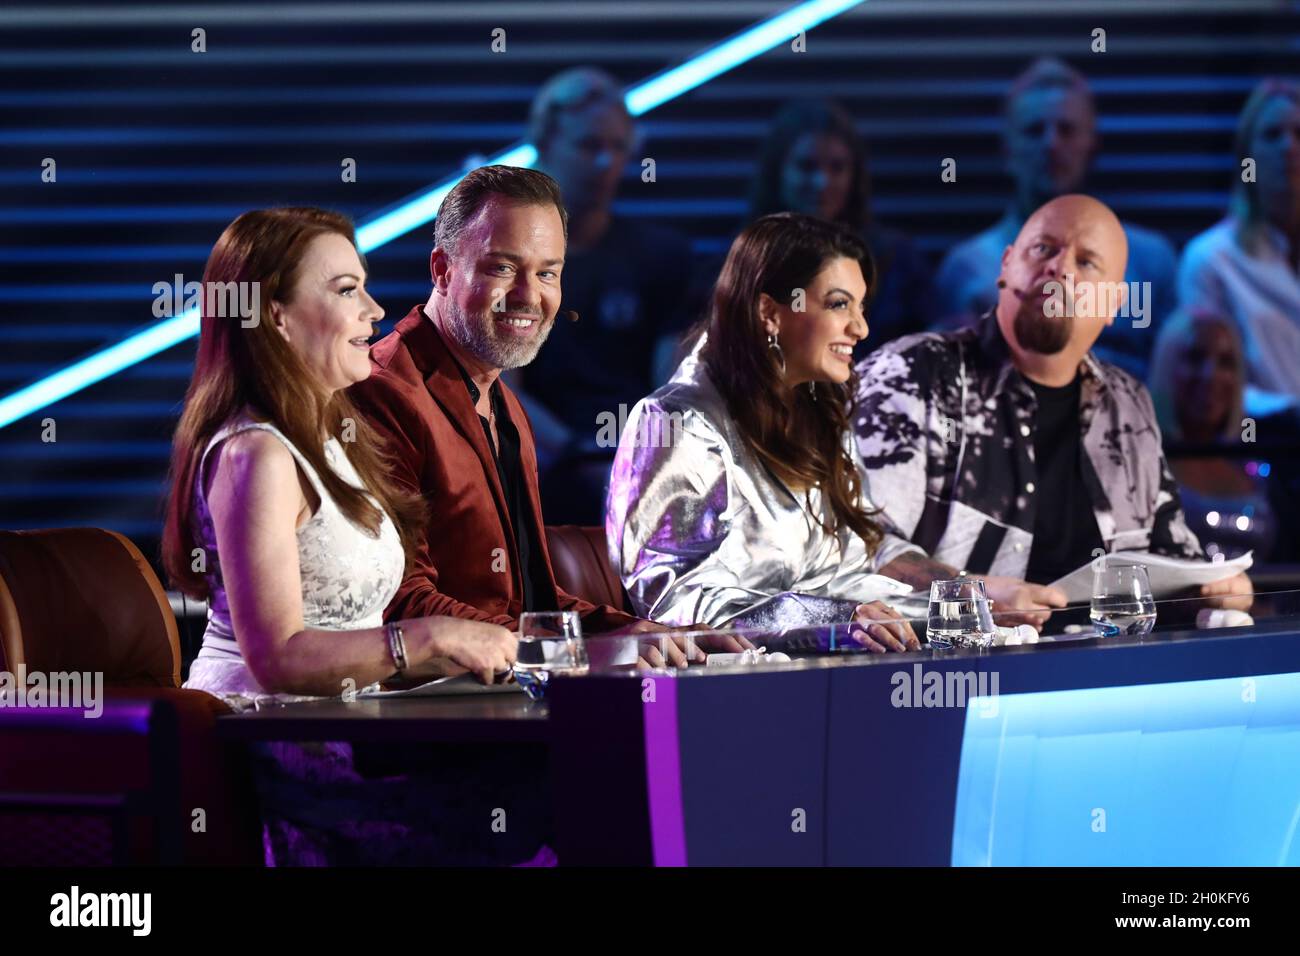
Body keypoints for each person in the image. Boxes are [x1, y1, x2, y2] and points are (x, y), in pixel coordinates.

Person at [163, 207, 546, 865]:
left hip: (354, 732)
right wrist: (434, 637)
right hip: (279, 756)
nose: (374, 309)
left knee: (559, 781)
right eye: (345, 290)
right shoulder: (255, 454)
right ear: (276, 316)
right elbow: (277, 657)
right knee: (540, 810)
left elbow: (363, 633)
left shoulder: (333, 440)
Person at [350, 165, 722, 669]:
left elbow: (533, 606)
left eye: (547, 272)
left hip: (511, 692)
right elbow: (400, 604)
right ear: (441, 270)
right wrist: (583, 651)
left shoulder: (506, 403)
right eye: (502, 268)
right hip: (436, 713)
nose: (530, 295)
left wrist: (647, 632)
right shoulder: (383, 392)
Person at [856, 194, 1253, 609]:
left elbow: (1171, 553)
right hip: (960, 663)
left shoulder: (1127, 404)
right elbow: (863, 544)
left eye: (1086, 263)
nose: (1060, 269)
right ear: (1006, 266)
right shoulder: (912, 373)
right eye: (1044, 249)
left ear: (1113, 304)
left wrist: (1215, 589)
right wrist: (978, 596)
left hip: (1106, 662)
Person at [607, 213, 932, 651]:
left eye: (861, 306)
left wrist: (959, 593)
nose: (861, 328)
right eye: (839, 304)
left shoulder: (820, 412)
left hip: (834, 665)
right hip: (733, 689)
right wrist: (831, 621)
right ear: (770, 313)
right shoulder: (673, 422)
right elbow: (672, 597)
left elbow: (866, 549)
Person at [505, 67, 696, 525]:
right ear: (546, 145)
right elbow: (501, 387)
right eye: (590, 146)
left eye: (617, 148)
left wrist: (635, 460)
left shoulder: (663, 256)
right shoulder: (505, 260)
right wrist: (575, 454)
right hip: (540, 464)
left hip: (642, 460)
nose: (605, 163)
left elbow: (671, 387)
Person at [933, 57, 1178, 378]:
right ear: (1008, 151)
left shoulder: (1149, 260)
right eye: (1035, 131)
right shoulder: (968, 268)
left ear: (1092, 145)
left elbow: (1174, 385)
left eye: (1066, 129)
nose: (1051, 144)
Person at [747, 100, 934, 347]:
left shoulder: (895, 260)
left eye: (837, 168)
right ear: (778, 172)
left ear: (854, 175)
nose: (822, 182)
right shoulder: (745, 260)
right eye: (807, 166)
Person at [1177, 79, 1300, 405]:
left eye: (1299, 134)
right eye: (1272, 135)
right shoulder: (1211, 258)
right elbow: (1200, 384)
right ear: (1247, 158)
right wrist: (1286, 411)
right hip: (1263, 445)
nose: (1288, 147)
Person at [1148, 307, 1299, 561]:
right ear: (1167, 366)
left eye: (1226, 363)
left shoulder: (1257, 467)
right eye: (1195, 358)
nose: (1211, 376)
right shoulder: (1142, 465)